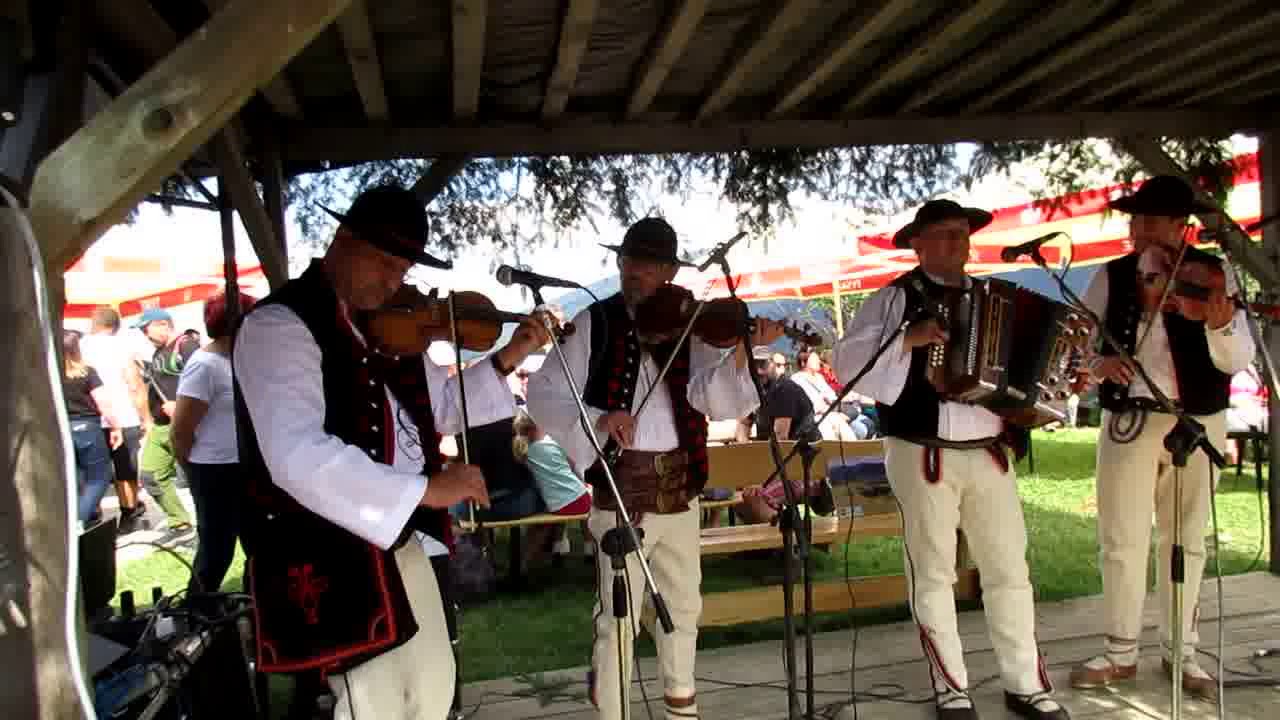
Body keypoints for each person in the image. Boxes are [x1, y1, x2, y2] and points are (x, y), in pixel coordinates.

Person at [232, 184, 549, 720]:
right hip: (334, 552)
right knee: (372, 705)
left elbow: (439, 412)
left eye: (402, 269)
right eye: (383, 262)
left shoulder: (393, 327)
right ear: (342, 239)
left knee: (430, 692)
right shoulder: (281, 325)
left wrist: (507, 356)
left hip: (404, 542)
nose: (393, 281)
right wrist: (426, 487)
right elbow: (294, 453)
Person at [526, 217, 781, 720]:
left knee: (684, 608)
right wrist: (601, 418)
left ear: (668, 271)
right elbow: (543, 394)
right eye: (628, 260)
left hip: (680, 489)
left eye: (647, 263)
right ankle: (612, 713)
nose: (633, 270)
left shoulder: (691, 324)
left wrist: (738, 353)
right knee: (616, 618)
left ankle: (681, 708)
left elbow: (717, 401)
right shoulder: (594, 323)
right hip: (622, 492)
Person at [834, 199, 1067, 720]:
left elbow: (1029, 368)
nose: (958, 243)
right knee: (933, 572)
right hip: (923, 451)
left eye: (962, 234)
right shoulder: (895, 298)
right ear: (917, 243)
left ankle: (1025, 683)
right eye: (944, 234)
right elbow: (845, 363)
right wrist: (907, 340)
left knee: (1009, 567)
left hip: (988, 450)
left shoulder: (995, 297)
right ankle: (951, 688)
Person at [1069, 175, 1254, 701]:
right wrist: (1099, 363)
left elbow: (1236, 358)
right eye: (1137, 220)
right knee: (1122, 536)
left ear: (1181, 227)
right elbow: (1075, 343)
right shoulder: (1112, 276)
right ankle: (1120, 651)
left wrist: (1219, 325)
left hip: (1198, 419)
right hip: (1130, 418)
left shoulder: (1215, 275)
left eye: (1153, 221)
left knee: (1187, 537)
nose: (1142, 231)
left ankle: (1183, 651)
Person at [171, 291, 256, 595]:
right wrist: (195, 470)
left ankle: (256, 610)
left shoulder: (243, 359)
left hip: (246, 466)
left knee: (258, 546)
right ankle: (196, 613)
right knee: (217, 550)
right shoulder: (205, 365)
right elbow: (180, 431)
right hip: (214, 472)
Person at [80, 306, 151, 532]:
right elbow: (134, 384)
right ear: (115, 325)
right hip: (124, 414)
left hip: (91, 416)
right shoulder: (122, 346)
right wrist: (146, 417)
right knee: (125, 468)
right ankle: (129, 513)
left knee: (93, 471)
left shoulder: (79, 346)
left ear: (94, 323)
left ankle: (93, 514)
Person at [136, 308, 198, 543]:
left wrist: (180, 406)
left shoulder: (186, 346)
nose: (145, 335)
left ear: (163, 324)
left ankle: (209, 531)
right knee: (150, 474)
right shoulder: (157, 353)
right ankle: (180, 522)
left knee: (198, 480)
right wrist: (148, 421)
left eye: (146, 328)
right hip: (161, 426)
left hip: (185, 423)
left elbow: (204, 381)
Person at [62, 330, 123, 525]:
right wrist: (116, 427)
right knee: (99, 477)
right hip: (87, 428)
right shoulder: (87, 372)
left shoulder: (49, 376)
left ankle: (82, 517)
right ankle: (78, 521)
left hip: (63, 430)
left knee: (76, 478)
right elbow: (102, 402)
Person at [1225, 364, 1267, 464]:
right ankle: (1231, 451)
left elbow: (1260, 393)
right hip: (1236, 411)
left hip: (1251, 412)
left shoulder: (1250, 370)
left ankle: (1232, 452)